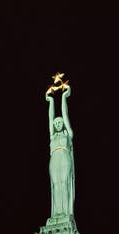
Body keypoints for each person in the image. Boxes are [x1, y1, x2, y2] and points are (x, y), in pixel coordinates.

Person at [46, 84, 75, 217]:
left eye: (59, 122)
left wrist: (64, 96)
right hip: (54, 158)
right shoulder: (52, 136)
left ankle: (65, 212)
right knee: (55, 185)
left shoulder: (67, 134)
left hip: (64, 156)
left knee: (64, 183)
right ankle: (57, 213)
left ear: (63, 123)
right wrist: (51, 101)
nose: (57, 124)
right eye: (55, 123)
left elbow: (65, 114)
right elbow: (50, 117)